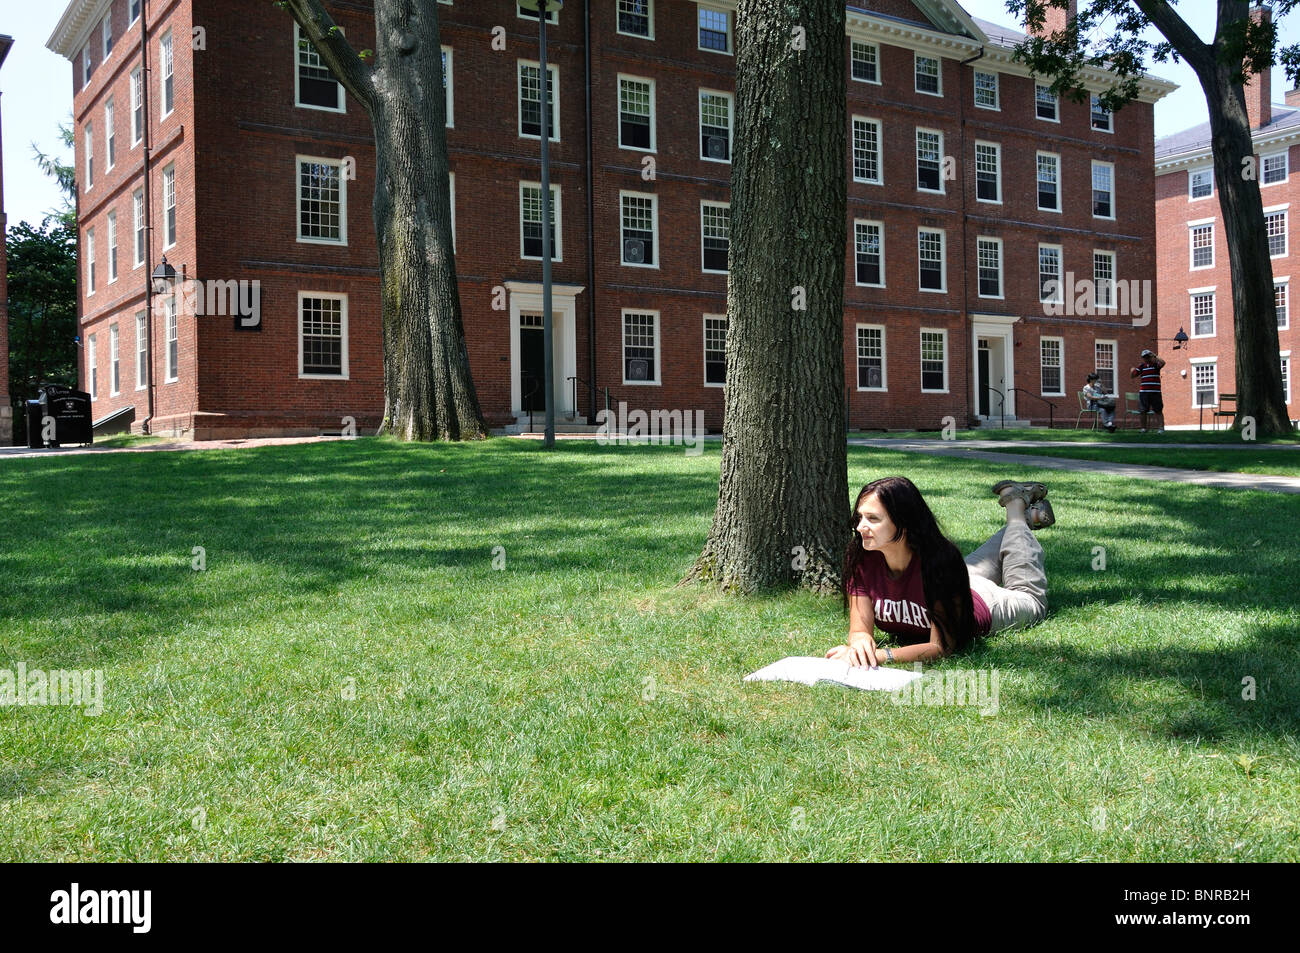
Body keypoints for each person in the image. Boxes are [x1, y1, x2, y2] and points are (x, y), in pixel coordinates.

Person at [826, 477, 1051, 668]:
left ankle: (1016, 507)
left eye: (873, 519)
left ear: (903, 522)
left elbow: (940, 647)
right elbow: (859, 630)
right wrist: (860, 641)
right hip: (958, 581)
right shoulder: (861, 557)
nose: (859, 527)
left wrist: (883, 655)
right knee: (973, 563)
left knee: (1030, 597)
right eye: (860, 517)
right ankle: (1027, 519)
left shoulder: (939, 561)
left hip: (986, 604)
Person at [1130, 348, 1166, 433]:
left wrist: (1154, 355)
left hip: (1155, 392)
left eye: (1148, 356)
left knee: (1158, 410)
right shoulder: (1141, 366)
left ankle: (1161, 429)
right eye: (1145, 357)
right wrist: (1131, 371)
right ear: (1143, 358)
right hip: (1144, 392)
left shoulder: (1156, 365)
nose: (1147, 358)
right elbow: (1133, 376)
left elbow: (1163, 363)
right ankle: (1143, 429)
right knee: (1143, 411)